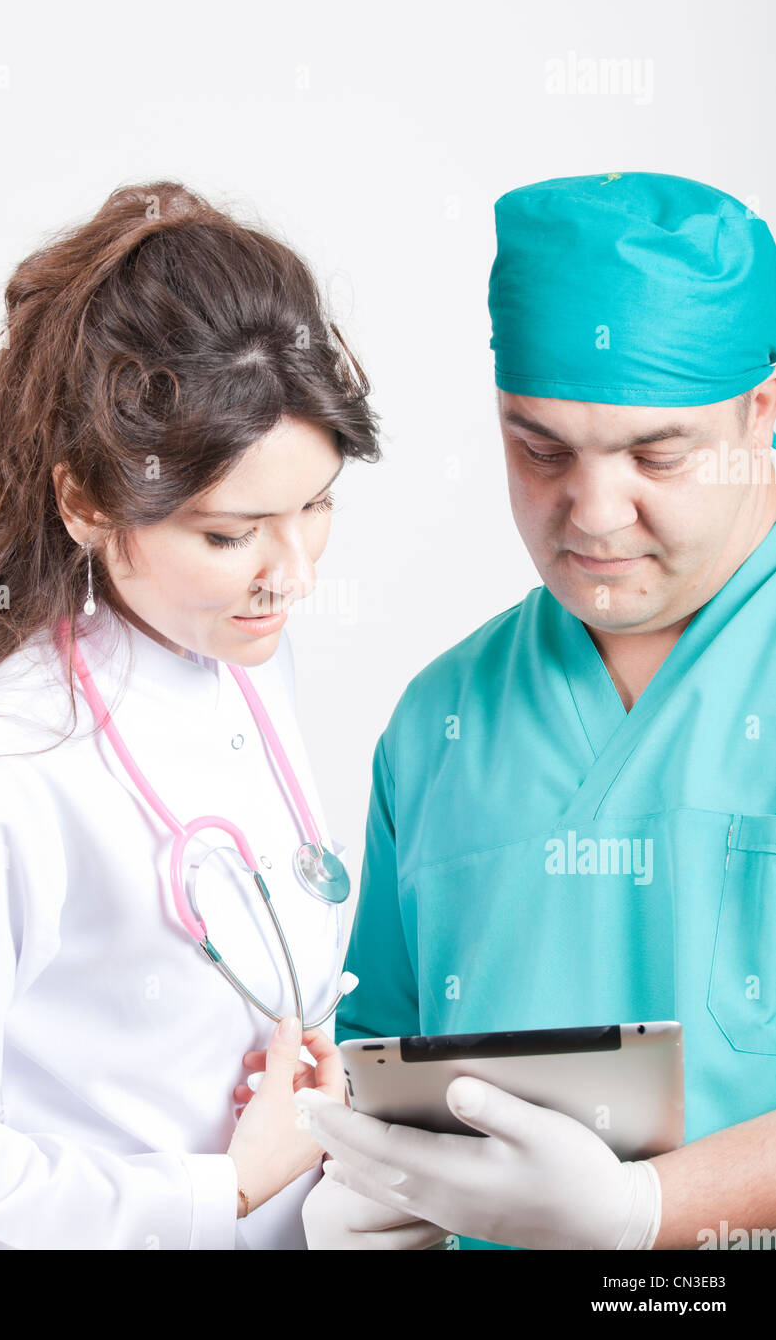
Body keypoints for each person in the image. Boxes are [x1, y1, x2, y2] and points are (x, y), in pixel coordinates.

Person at [0, 179, 382, 1250]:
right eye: (233, 533)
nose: (294, 573)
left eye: (317, 507)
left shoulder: (242, 663)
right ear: (85, 499)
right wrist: (210, 1192)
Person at [296, 171, 776, 1251]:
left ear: (763, 411)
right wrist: (365, 1184)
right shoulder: (440, 725)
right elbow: (384, 1069)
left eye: (659, 453)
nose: (594, 516)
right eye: (540, 449)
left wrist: (650, 1214)